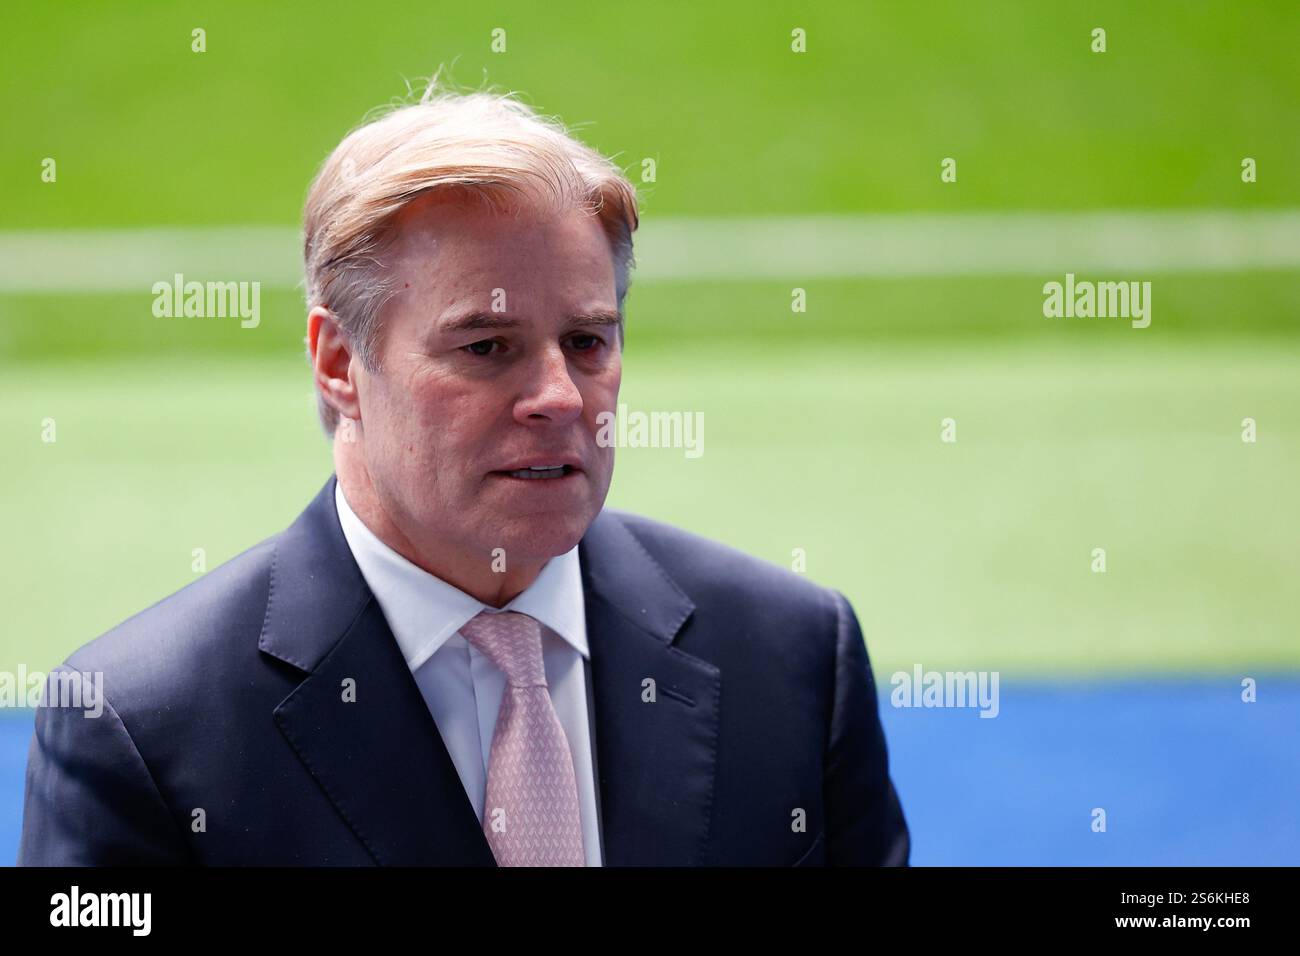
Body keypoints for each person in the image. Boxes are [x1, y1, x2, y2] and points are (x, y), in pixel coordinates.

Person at [18, 83, 909, 866]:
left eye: (588, 341)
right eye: (488, 347)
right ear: (338, 363)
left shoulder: (794, 660)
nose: (560, 397)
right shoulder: (139, 728)